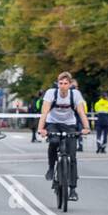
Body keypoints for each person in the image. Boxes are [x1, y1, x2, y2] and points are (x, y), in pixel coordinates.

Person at [37, 72, 90, 201]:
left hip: (69, 125)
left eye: (66, 83)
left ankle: (72, 189)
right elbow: (44, 112)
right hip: (53, 123)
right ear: (57, 84)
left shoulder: (75, 95)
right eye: (60, 83)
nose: (63, 86)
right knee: (54, 141)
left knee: (72, 157)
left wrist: (86, 127)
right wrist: (41, 128)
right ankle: (51, 168)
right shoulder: (51, 93)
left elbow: (81, 112)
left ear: (70, 84)